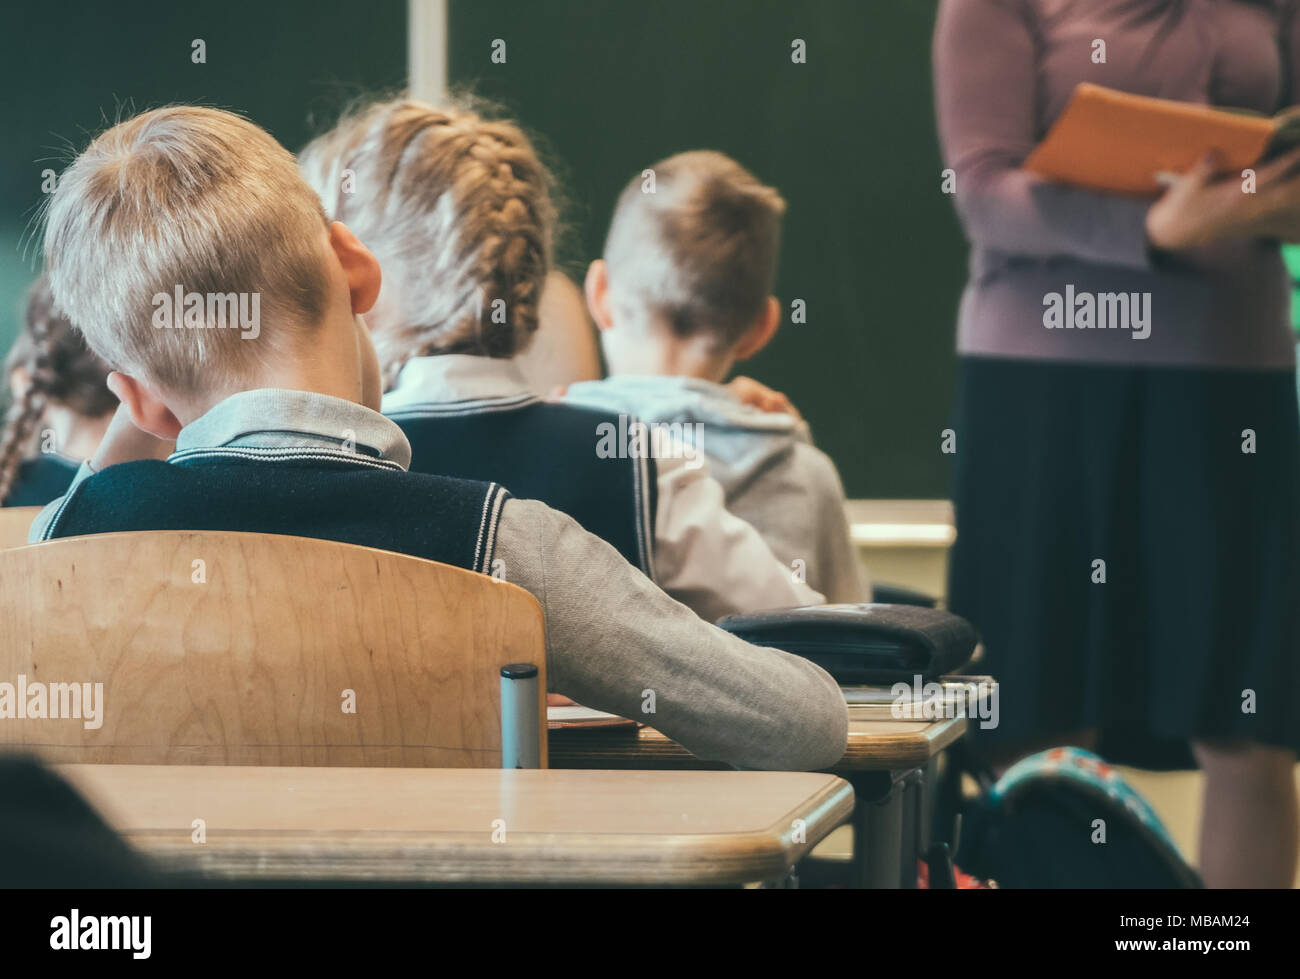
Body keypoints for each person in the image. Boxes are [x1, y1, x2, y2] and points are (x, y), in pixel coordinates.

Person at [934, 0, 1300, 887]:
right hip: (1042, 386)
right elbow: (984, 191)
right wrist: (1154, 231)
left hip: (1230, 379)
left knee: (1249, 718)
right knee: (1030, 706)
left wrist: (1254, 202)